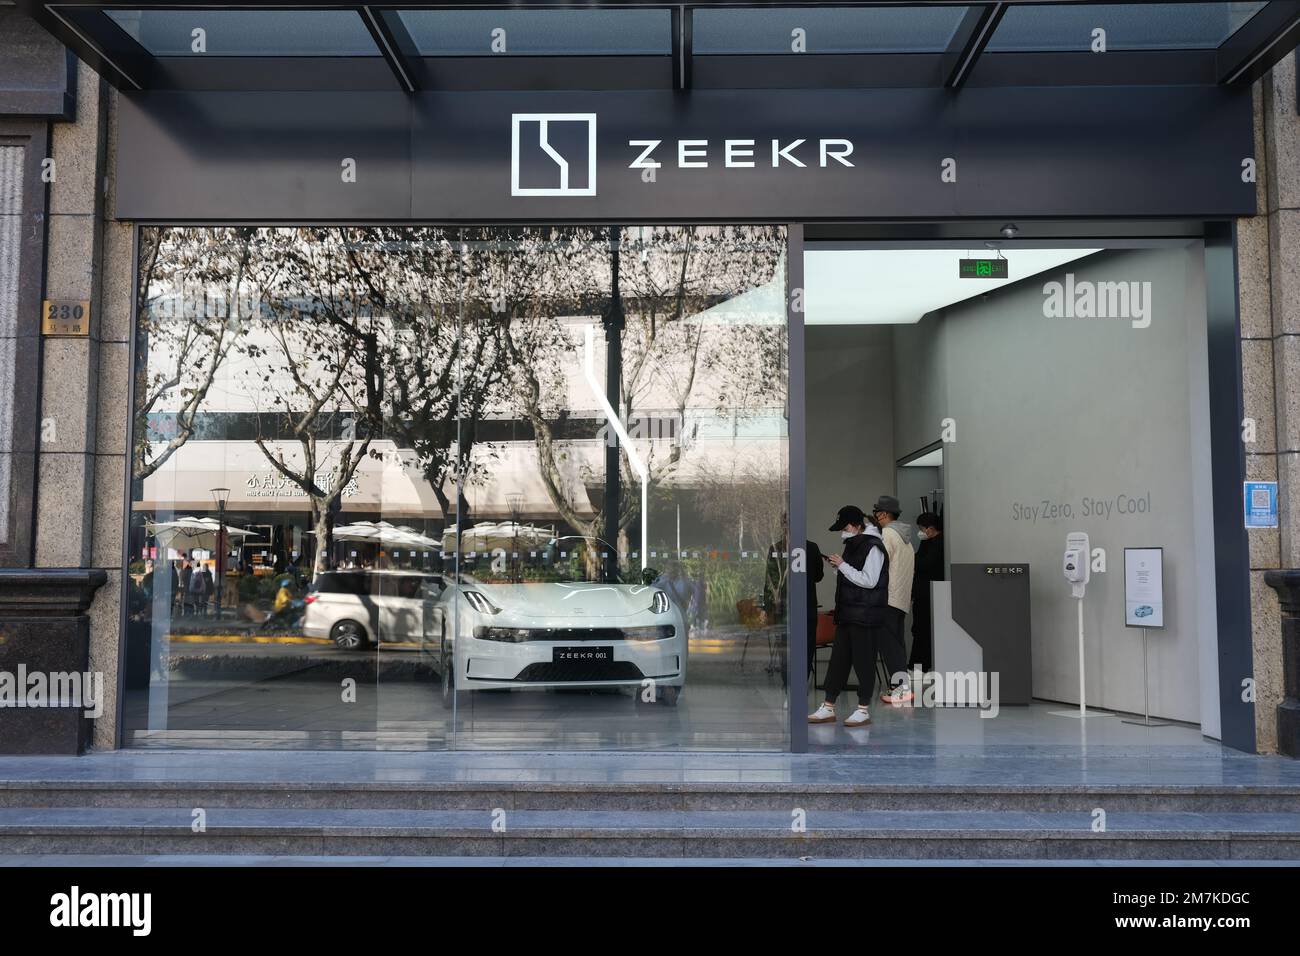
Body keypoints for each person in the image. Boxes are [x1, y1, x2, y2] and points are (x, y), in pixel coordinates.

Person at [808, 505, 889, 728]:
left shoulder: (874, 547)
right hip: (848, 614)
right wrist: (839, 567)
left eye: (845, 527)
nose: (843, 532)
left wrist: (842, 566)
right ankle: (828, 705)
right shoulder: (853, 544)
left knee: (864, 662)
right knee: (839, 661)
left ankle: (863, 709)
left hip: (866, 615)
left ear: (856, 525)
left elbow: (869, 580)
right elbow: (853, 575)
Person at [872, 495, 915, 705]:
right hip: (902, 598)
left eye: (877, 512)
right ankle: (901, 686)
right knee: (898, 644)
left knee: (889, 646)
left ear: (884, 514)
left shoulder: (887, 534)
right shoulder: (906, 539)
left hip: (888, 597)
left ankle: (899, 689)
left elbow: (878, 566)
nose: (875, 516)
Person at [910, 512, 944, 672]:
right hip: (922, 593)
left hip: (929, 595)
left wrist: (911, 558)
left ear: (930, 529)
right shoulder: (928, 543)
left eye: (922, 529)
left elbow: (924, 564)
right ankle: (918, 665)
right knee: (919, 630)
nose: (920, 532)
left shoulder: (939, 544)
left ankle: (919, 666)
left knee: (923, 631)